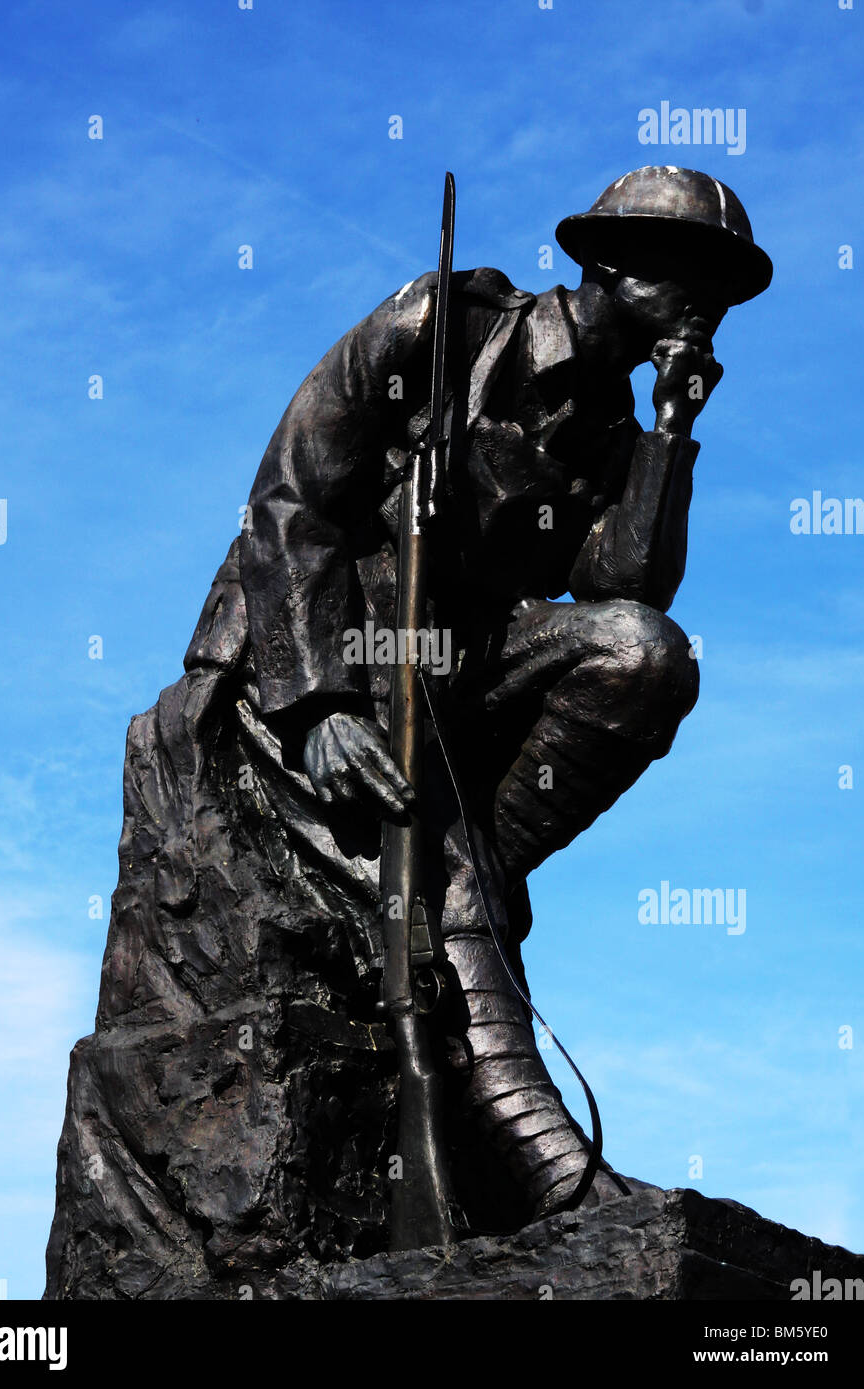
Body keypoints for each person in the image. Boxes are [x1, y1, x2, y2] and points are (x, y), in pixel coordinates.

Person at [184, 165, 772, 1221]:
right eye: (687, 270)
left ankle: (474, 883)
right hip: (325, 666)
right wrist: (315, 705)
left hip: (454, 677)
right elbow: (290, 498)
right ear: (604, 261)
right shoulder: (443, 326)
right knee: (439, 855)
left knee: (644, 654)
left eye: (722, 287)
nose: (705, 301)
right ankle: (552, 1167)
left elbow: (621, 590)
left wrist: (671, 432)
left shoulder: (609, 423)